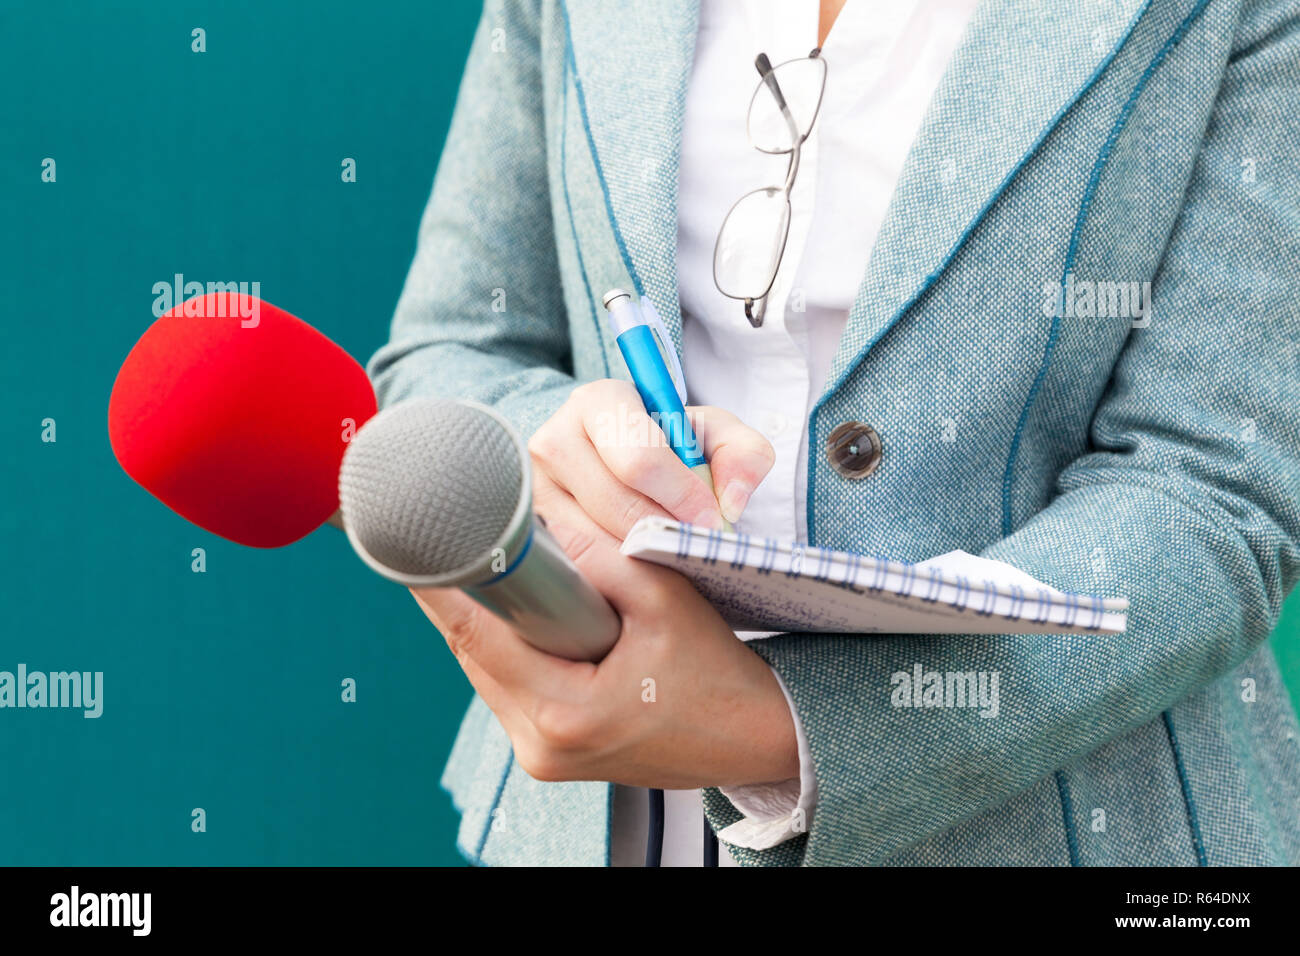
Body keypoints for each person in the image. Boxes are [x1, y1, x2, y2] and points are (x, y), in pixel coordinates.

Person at [368, 0, 1300, 866]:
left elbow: (1217, 484)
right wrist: (568, 454)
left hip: (1062, 823)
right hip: (606, 823)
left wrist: (785, 725)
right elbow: (449, 351)